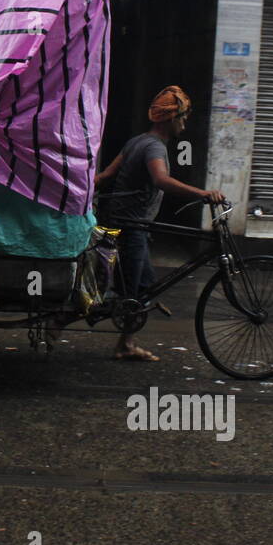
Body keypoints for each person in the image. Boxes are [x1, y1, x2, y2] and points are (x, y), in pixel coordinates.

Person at [94, 85, 225, 363]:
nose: (185, 124)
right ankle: (62, 322)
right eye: (183, 118)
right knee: (132, 290)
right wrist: (203, 194)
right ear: (170, 119)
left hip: (126, 222)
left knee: (142, 287)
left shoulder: (137, 141)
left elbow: (105, 175)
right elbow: (160, 180)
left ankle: (125, 343)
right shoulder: (153, 146)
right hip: (133, 226)